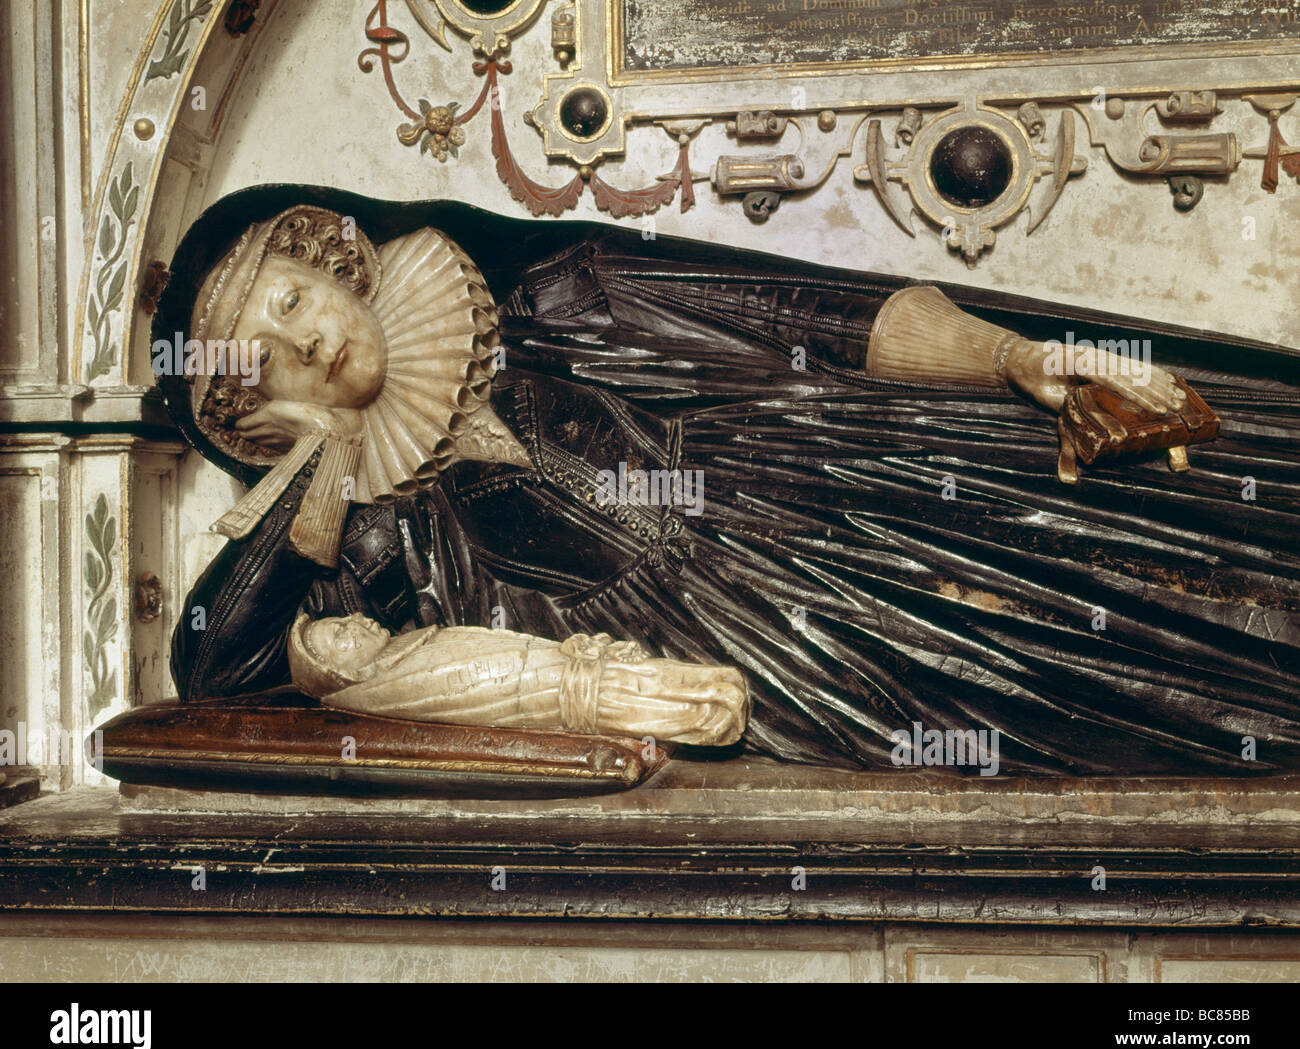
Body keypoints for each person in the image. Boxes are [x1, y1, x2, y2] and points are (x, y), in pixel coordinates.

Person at [161, 201, 1300, 774]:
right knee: (1103, 735)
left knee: (1186, 555)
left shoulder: (571, 298)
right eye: (260, 362)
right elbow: (213, 677)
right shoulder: (374, 540)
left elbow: (820, 319)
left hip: (868, 493)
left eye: (291, 301)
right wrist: (317, 464)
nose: (299, 346)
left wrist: (1008, 359)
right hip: (790, 673)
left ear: (335, 263)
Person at [286, 612, 748, 745]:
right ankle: (714, 715)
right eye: (340, 636)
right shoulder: (404, 684)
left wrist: (575, 649)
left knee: (701, 688)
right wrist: (579, 668)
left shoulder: (413, 645)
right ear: (345, 676)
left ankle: (716, 706)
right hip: (576, 691)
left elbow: (507, 649)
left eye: (341, 618)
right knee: (692, 701)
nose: (356, 620)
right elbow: (506, 685)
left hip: (573, 670)